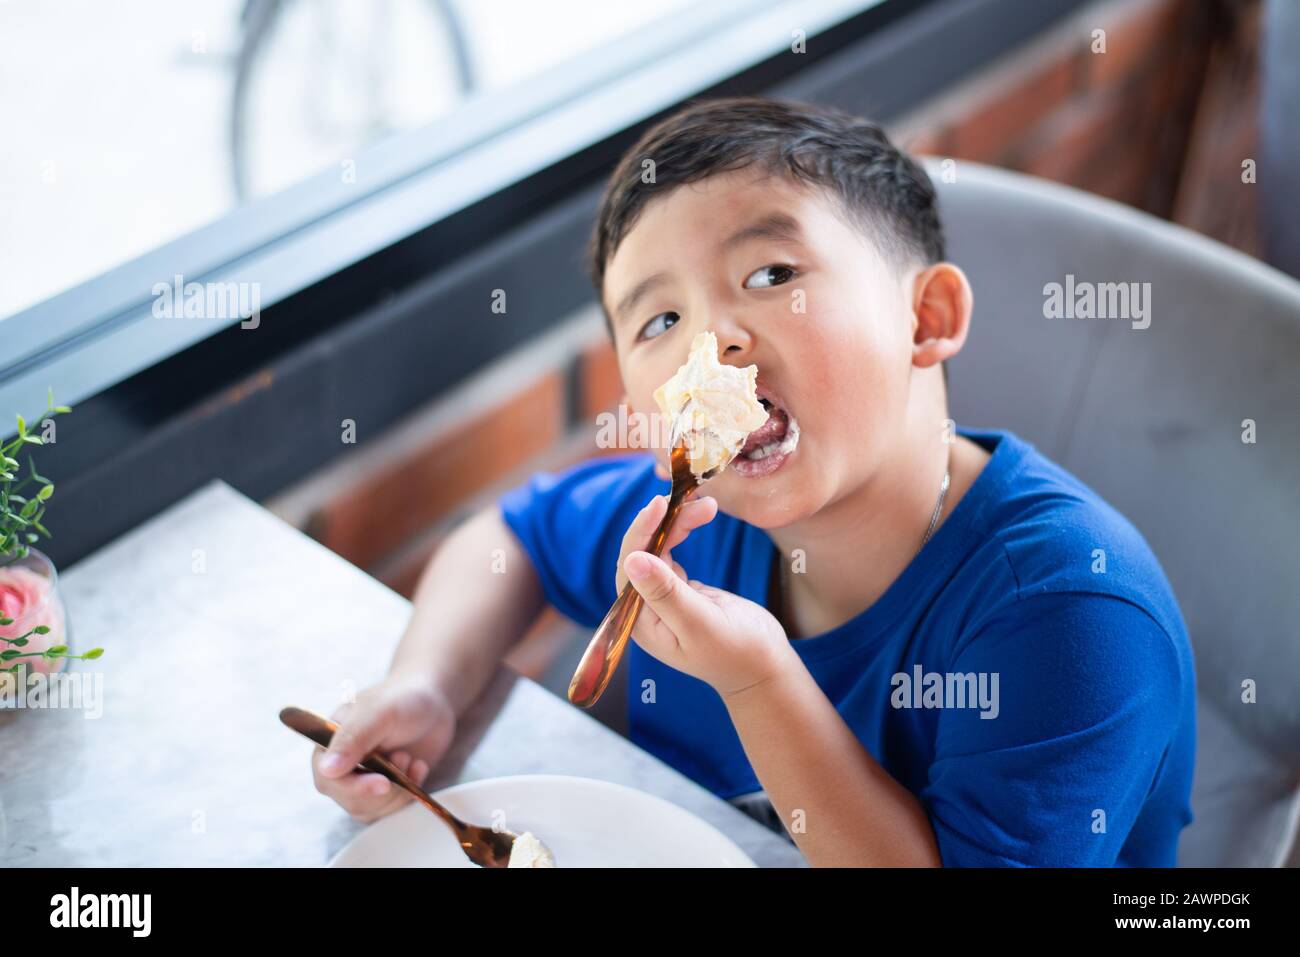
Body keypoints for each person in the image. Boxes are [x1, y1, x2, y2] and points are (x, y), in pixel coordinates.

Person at [313, 96, 1196, 866]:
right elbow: (511, 536)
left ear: (924, 318)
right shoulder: (695, 525)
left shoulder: (1072, 612)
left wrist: (759, 684)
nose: (712, 343)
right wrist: (428, 685)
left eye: (771, 274)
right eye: (660, 317)